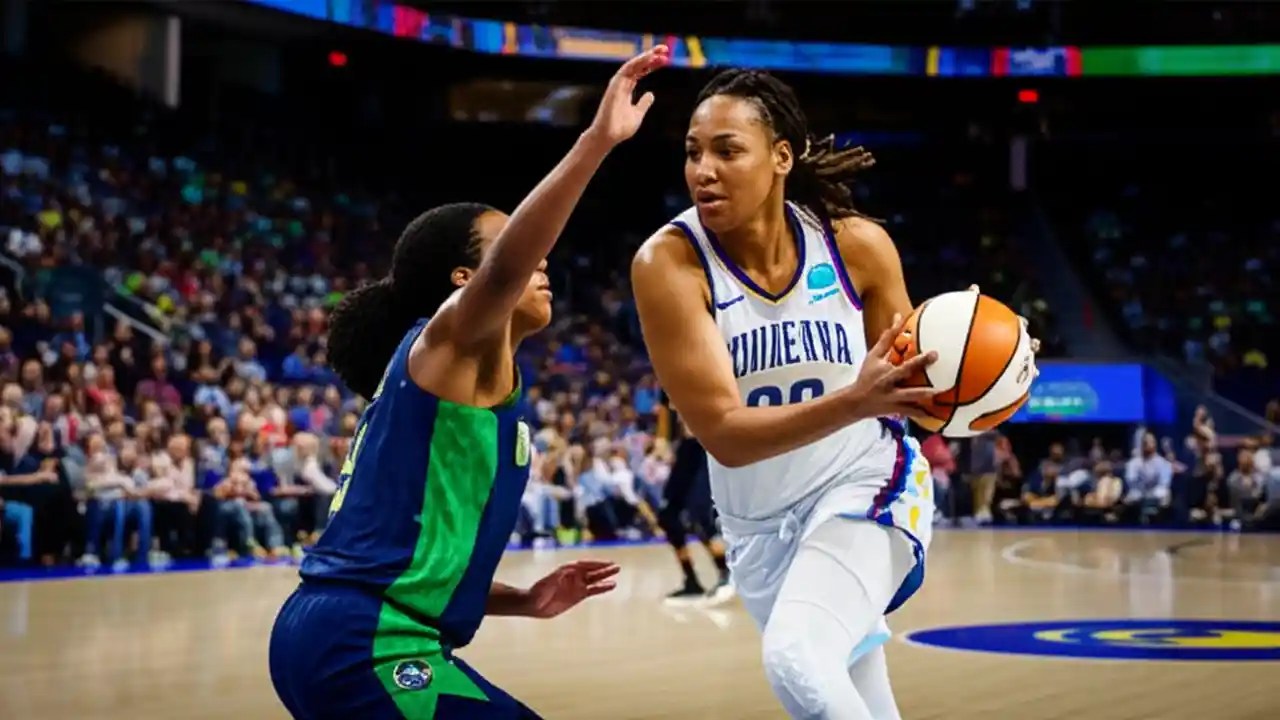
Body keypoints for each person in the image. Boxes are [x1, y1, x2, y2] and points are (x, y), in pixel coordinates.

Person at [268, 46, 670, 720]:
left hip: (352, 632)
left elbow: (403, 557)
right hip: (363, 645)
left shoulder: (467, 388)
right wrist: (597, 142)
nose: (542, 259)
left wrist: (523, 600)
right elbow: (509, 266)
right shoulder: (443, 342)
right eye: (515, 244)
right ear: (465, 283)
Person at [631, 68, 1038, 719]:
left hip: (866, 484)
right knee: (857, 699)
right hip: (756, 526)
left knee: (798, 660)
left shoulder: (857, 247)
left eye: (727, 150)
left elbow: (918, 393)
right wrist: (857, 399)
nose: (703, 169)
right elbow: (726, 437)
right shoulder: (669, 264)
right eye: (692, 151)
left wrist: (1000, 367)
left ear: (781, 157)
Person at [659, 413, 732, 604]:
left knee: (698, 517)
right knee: (668, 517)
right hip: (687, 446)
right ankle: (691, 581)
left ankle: (727, 573)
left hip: (702, 446)